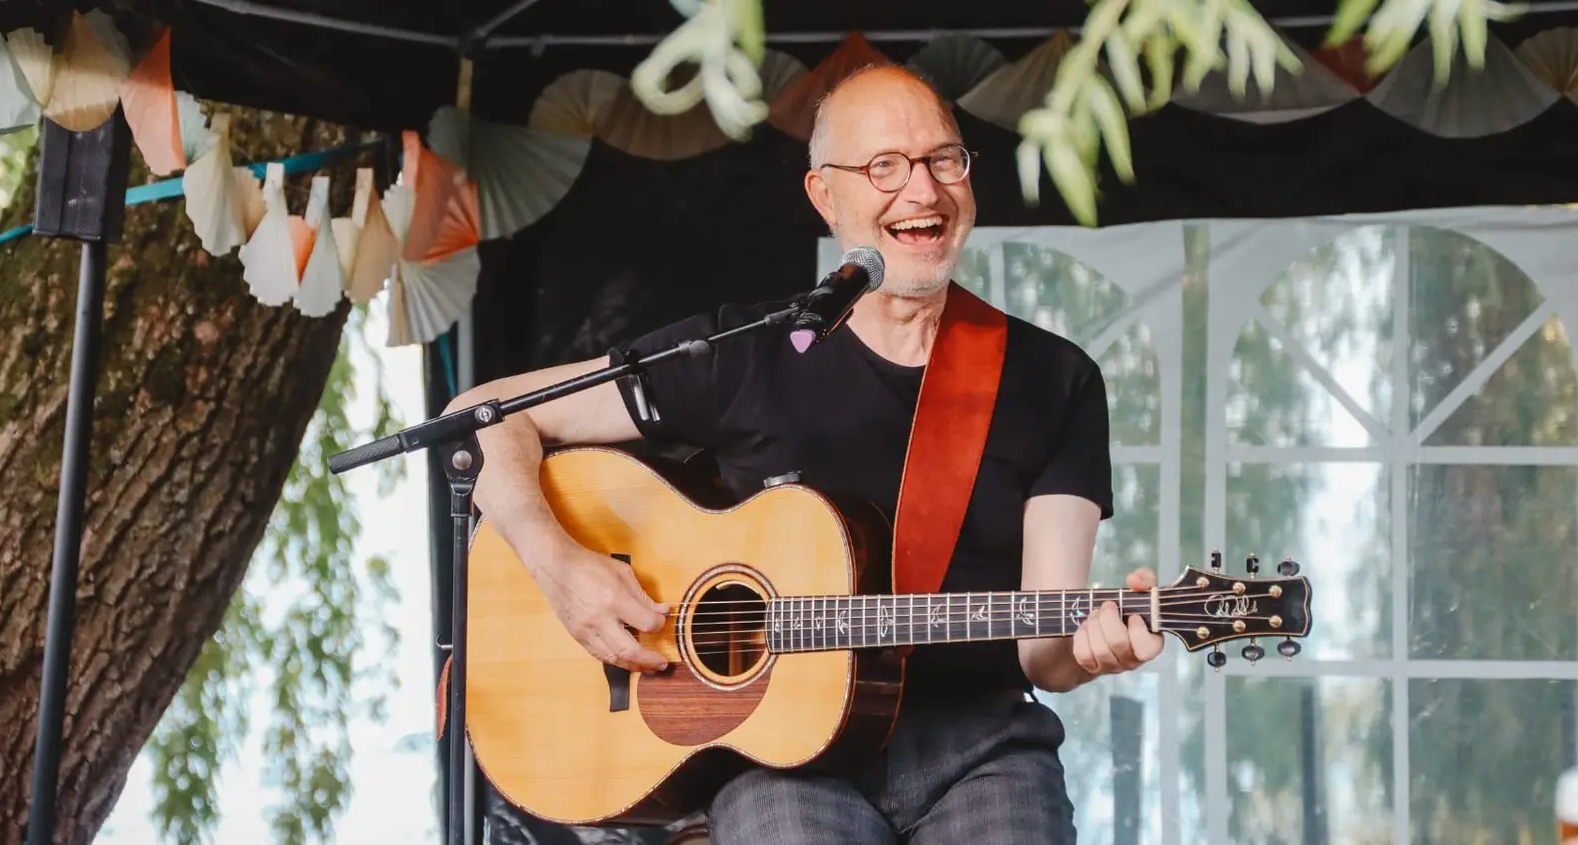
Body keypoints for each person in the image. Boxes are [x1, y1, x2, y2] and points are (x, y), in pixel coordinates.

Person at [443, 63, 1163, 844]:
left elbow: (1046, 652)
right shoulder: (745, 352)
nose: (923, 191)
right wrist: (559, 564)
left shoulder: (1052, 380)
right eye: (884, 166)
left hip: (982, 750)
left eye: (944, 160)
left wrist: (1096, 650)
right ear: (825, 194)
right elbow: (477, 420)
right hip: (781, 758)